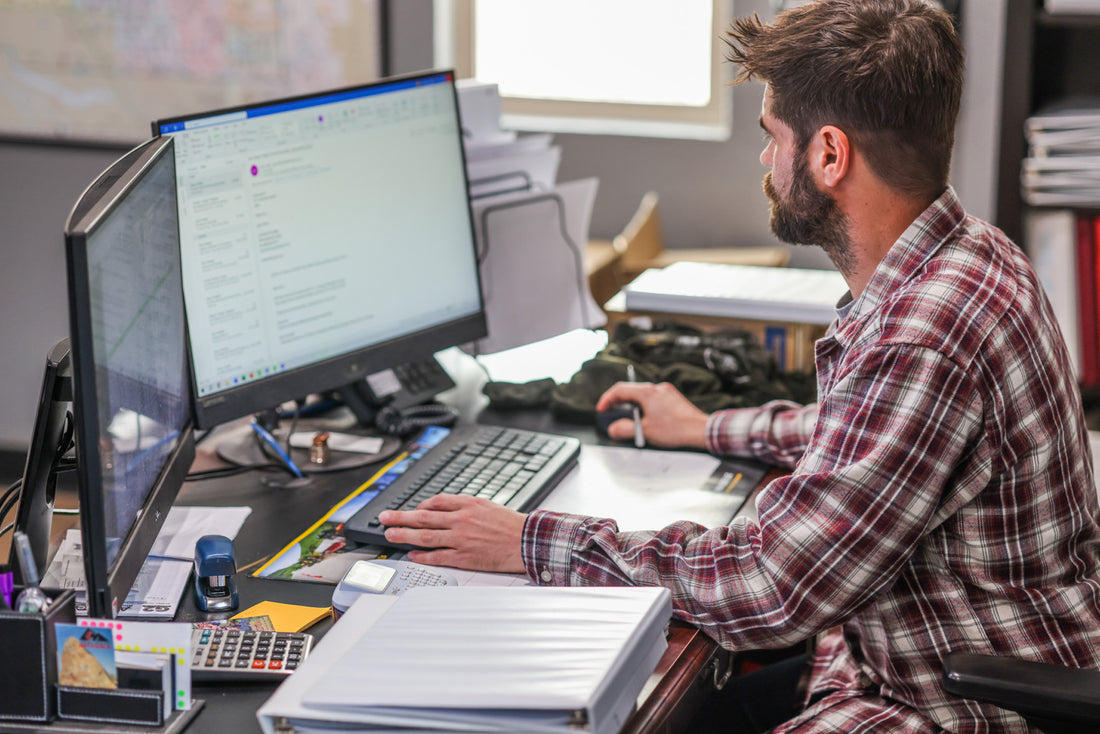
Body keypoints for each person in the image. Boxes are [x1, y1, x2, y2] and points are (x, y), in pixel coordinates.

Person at [380, 1, 1100, 730]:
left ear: (829, 155)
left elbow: (770, 585)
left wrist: (529, 542)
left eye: (771, 137)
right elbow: (866, 438)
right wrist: (707, 427)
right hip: (913, 651)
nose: (765, 160)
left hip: (964, 701)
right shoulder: (969, 250)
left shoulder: (920, 336)